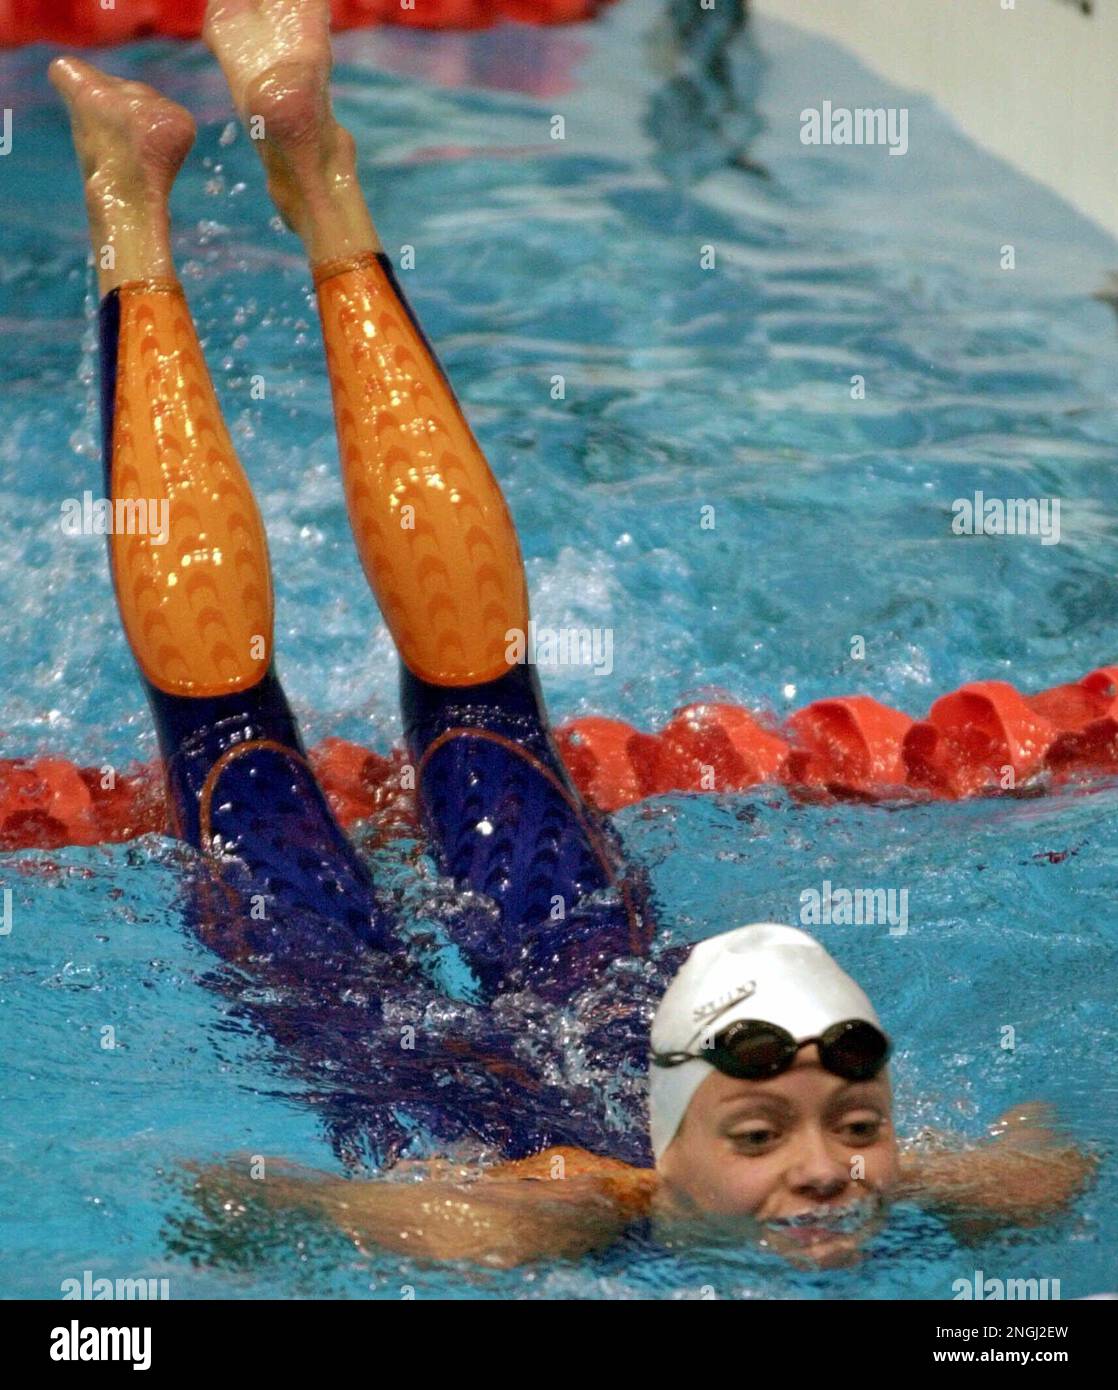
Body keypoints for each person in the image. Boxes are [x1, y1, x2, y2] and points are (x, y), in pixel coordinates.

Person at [50, 0, 1093, 1268]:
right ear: (670, 1142)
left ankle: (297, 179)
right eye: (764, 1134)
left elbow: (1049, 1163)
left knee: (455, 708)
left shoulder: (808, 1176)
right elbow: (225, 1199)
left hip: (576, 1033)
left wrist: (851, 1155)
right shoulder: (528, 1220)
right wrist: (592, 1203)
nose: (826, 1172)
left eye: (850, 1127)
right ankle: (167, 195)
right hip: (506, 1067)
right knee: (340, 733)